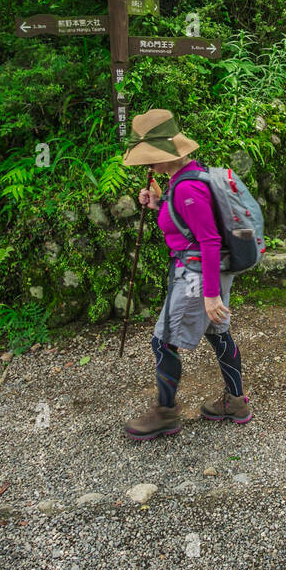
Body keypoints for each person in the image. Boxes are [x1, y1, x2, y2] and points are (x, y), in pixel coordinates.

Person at [121, 109, 250, 441]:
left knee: (162, 341)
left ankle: (165, 414)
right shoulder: (186, 178)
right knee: (218, 334)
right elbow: (186, 224)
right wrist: (159, 203)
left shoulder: (186, 190)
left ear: (167, 154)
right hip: (208, 271)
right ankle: (235, 402)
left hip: (196, 275)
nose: (147, 166)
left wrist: (209, 295)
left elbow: (209, 240)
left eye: (150, 159)